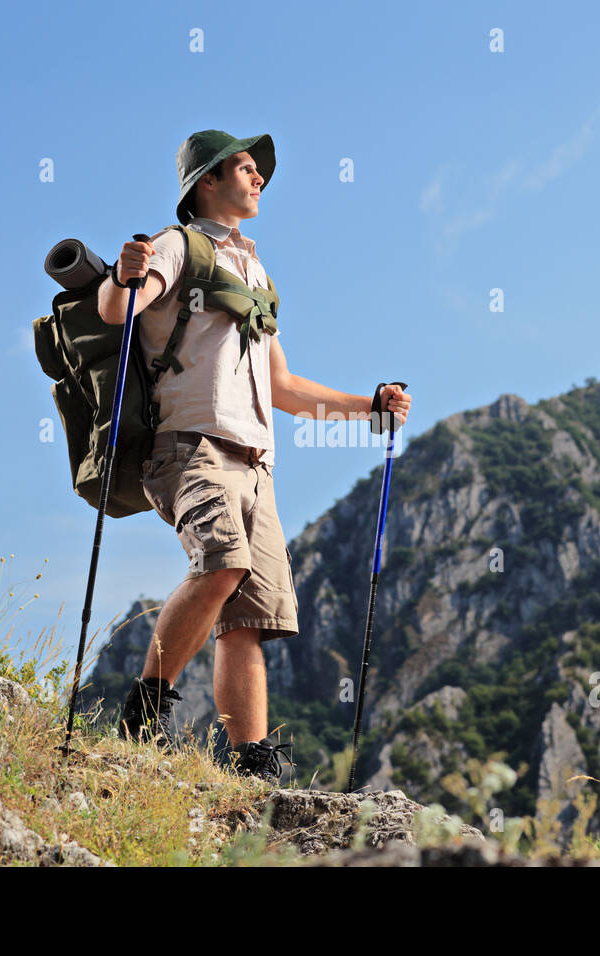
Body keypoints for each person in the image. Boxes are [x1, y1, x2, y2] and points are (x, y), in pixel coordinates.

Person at [97, 129, 412, 782]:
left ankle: (253, 766)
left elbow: (286, 390)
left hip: (256, 466)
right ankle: (142, 711)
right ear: (207, 181)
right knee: (221, 564)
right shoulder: (176, 245)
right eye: (245, 167)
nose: (259, 177)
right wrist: (122, 278)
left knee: (249, 619)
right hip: (188, 447)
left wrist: (370, 406)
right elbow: (115, 308)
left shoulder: (257, 274)